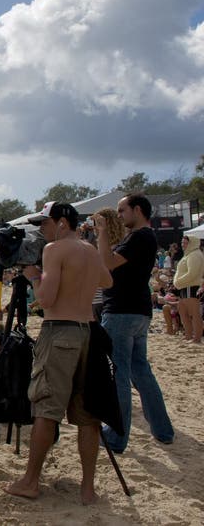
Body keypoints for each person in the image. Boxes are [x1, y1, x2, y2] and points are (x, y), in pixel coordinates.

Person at [6, 201, 113, 505]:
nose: (42, 230)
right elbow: (107, 281)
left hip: (60, 330)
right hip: (89, 331)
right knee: (88, 413)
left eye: (45, 223)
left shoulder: (54, 250)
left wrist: (34, 276)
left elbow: (46, 298)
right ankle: (88, 489)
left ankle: (30, 481)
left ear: (62, 222)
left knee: (46, 408)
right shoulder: (89, 249)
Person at [95, 193, 174, 453]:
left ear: (137, 210)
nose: (119, 216)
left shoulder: (139, 237)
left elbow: (107, 263)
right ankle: (163, 430)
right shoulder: (144, 237)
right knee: (141, 372)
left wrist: (102, 232)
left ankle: (116, 437)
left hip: (121, 312)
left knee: (118, 374)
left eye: (122, 210)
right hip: (137, 311)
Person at [90, 207, 126, 322]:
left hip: (103, 301)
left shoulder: (113, 249)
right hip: (102, 300)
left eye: (97, 224)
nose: (94, 227)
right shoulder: (121, 246)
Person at [173, 235, 203, 343]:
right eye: (182, 243)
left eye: (185, 243)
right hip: (185, 286)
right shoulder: (189, 254)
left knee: (194, 314)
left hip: (191, 286)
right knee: (183, 312)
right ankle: (189, 335)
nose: (183, 245)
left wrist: (178, 281)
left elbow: (192, 273)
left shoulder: (194, 255)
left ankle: (196, 338)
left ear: (192, 243)